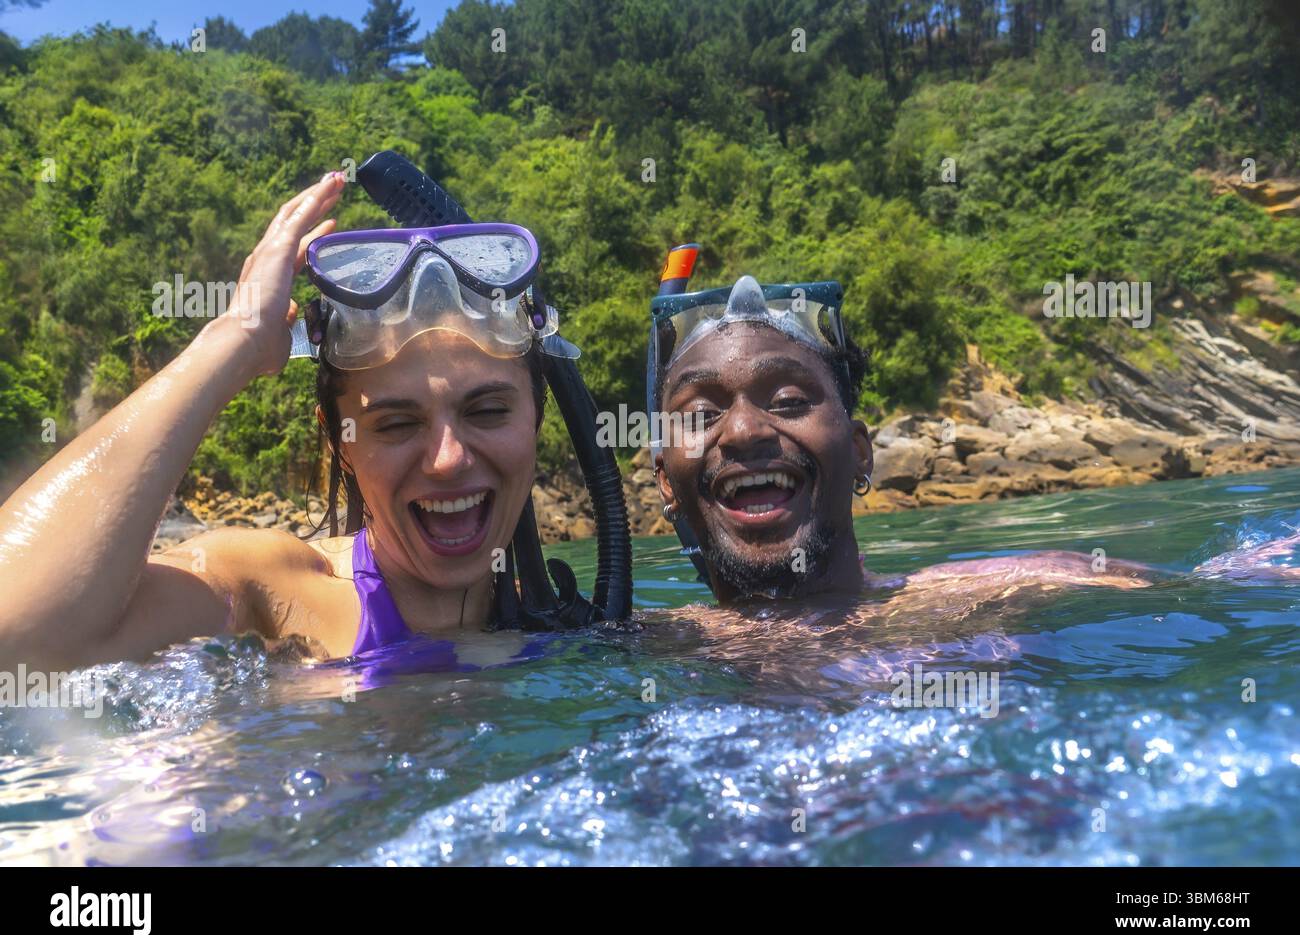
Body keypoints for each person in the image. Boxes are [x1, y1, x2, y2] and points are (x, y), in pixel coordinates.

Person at [0, 172, 574, 671]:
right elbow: (17, 641)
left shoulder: (564, 619)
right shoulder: (267, 592)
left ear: (536, 419)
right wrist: (236, 342)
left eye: (488, 411)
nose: (448, 458)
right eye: (397, 425)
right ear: (339, 444)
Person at [647, 272, 1300, 623]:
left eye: (790, 402)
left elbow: (1235, 588)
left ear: (861, 453)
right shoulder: (640, 649)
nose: (745, 432)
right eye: (702, 414)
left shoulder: (1007, 591)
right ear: (665, 485)